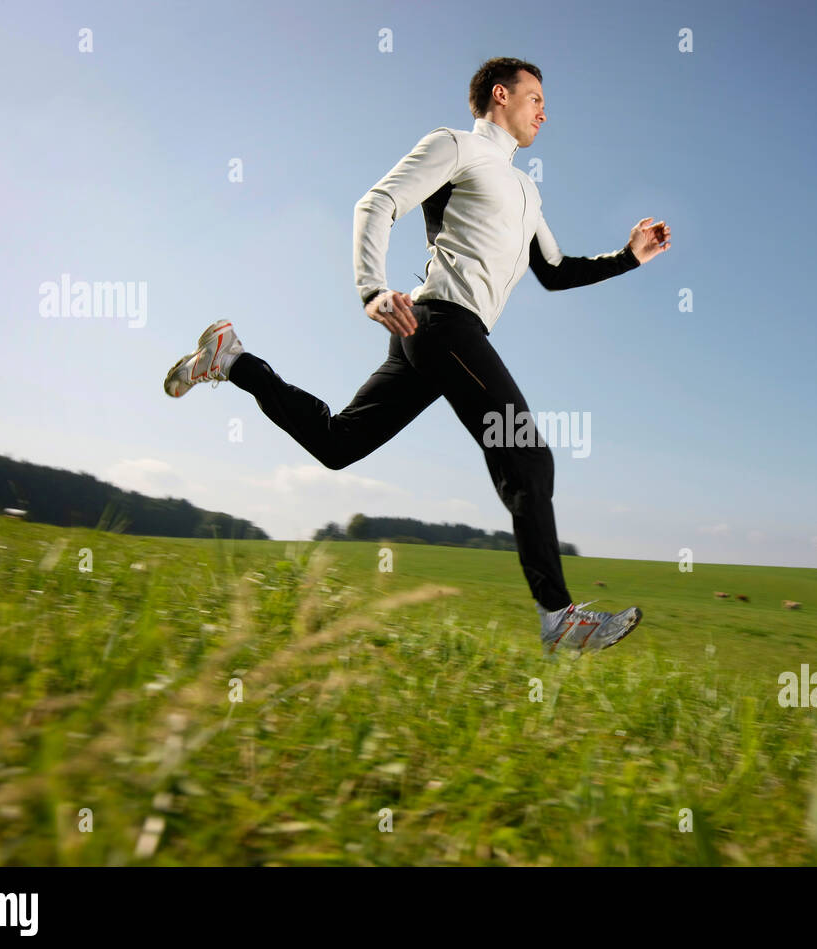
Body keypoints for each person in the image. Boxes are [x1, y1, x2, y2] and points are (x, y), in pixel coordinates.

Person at [164, 57, 671, 653]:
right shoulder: (455, 146)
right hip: (440, 325)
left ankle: (231, 359)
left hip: (442, 337)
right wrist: (371, 289)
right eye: (535, 97)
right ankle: (559, 621)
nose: (544, 110)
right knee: (527, 457)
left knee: (337, 444)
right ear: (500, 96)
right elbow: (375, 204)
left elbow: (555, 273)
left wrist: (629, 256)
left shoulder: (528, 191)